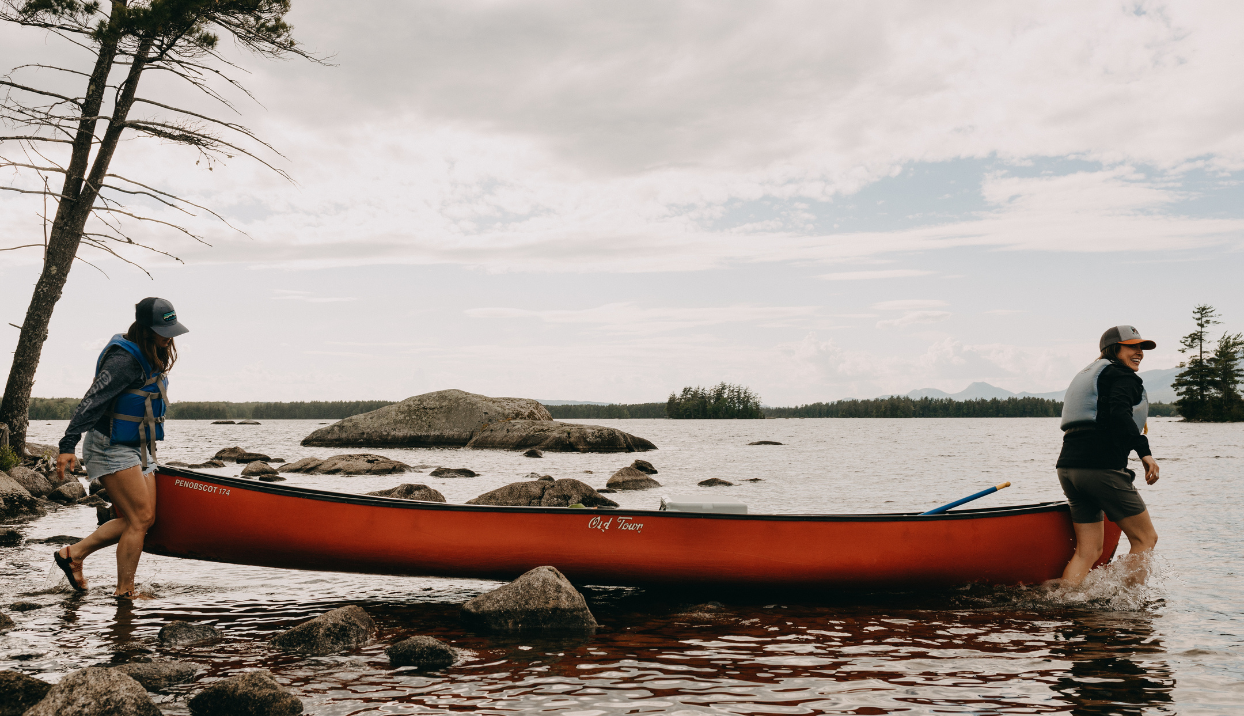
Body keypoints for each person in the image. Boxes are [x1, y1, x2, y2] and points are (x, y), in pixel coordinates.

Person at [51, 298, 188, 599]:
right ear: (144, 328)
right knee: (139, 520)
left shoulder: (153, 352)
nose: (169, 336)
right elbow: (92, 401)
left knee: (141, 519)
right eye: (163, 330)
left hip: (139, 447)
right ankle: (125, 592)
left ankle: (73, 555)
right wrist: (67, 445)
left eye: (171, 329)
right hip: (110, 445)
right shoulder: (123, 361)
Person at [1055, 325, 1160, 587]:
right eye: (1132, 346)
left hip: (1069, 469)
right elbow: (1119, 414)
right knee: (1145, 539)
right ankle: (1128, 603)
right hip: (1100, 468)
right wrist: (1145, 453)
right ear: (1114, 349)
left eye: (1141, 348)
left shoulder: (1096, 375)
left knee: (1088, 551)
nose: (1139, 352)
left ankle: (1065, 602)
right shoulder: (1123, 377)